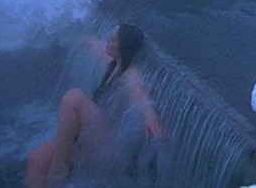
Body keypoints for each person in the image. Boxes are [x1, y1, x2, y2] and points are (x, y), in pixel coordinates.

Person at [25, 23, 163, 188]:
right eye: (110, 37)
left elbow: (139, 95)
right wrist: (78, 36)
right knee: (36, 159)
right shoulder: (114, 61)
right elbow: (94, 46)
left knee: (73, 98)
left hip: (113, 150)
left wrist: (150, 115)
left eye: (113, 40)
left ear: (123, 48)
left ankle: (58, 168)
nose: (108, 41)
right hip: (93, 139)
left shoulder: (130, 73)